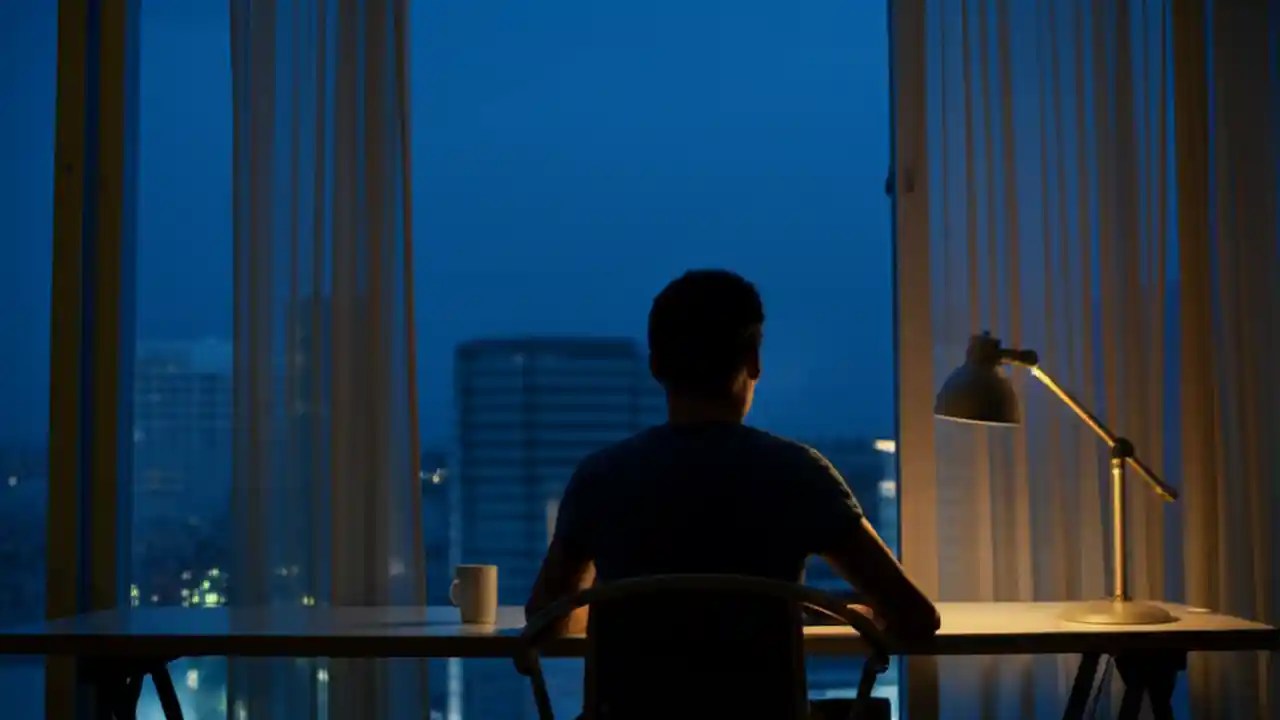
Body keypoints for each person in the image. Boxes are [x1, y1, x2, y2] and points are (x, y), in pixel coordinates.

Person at [526, 269, 940, 719]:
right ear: (753, 360)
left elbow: (548, 620)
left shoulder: (600, 477)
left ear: (656, 367)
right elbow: (915, 617)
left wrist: (630, 610)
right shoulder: (797, 474)